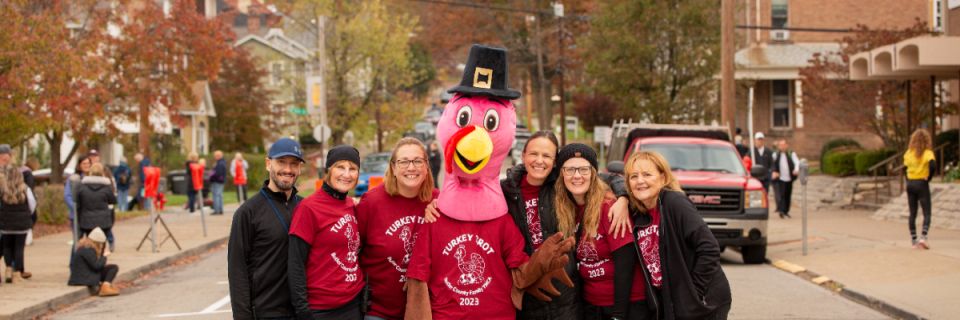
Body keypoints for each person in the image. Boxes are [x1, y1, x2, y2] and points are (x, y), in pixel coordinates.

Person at [625, 151, 731, 320]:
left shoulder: (675, 203)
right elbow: (606, 181)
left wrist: (692, 293)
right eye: (633, 176)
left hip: (702, 300)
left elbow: (709, 248)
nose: (640, 181)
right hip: (672, 302)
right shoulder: (638, 214)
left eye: (647, 174)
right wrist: (621, 199)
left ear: (662, 177)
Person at [554, 144, 649, 320]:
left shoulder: (609, 207)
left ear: (593, 173)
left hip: (624, 306)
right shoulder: (568, 209)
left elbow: (625, 264)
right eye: (570, 169)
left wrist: (619, 315)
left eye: (583, 169)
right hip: (592, 305)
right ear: (561, 174)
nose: (577, 176)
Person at [355, 138, 437, 320]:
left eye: (417, 161)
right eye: (403, 161)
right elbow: (352, 251)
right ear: (393, 167)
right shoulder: (372, 202)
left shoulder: (439, 202)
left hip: (425, 310)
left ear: (426, 167)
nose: (411, 167)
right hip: (379, 310)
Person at [228, 138, 305, 319]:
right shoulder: (248, 212)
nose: (288, 169)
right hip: (266, 313)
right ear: (268, 164)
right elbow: (237, 270)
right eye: (281, 162)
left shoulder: (306, 208)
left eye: (294, 164)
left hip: (303, 312)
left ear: (300, 168)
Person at [288, 145, 364, 319]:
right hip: (322, 310)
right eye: (340, 167)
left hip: (354, 304)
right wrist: (303, 311)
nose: (346, 174)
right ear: (328, 171)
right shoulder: (309, 208)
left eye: (352, 169)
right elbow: (295, 264)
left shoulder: (352, 206)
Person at [0, 164, 36, 284]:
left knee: (7, 247)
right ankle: (17, 273)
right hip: (21, 223)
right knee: (19, 248)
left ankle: (8, 269)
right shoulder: (25, 189)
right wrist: (27, 214)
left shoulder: (3, 190)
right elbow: (32, 204)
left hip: (6, 222)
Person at [903, 129, 936, 250]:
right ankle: (923, 237)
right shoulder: (927, 153)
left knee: (913, 213)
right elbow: (932, 165)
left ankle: (913, 240)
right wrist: (929, 177)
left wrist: (908, 180)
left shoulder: (908, 153)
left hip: (910, 183)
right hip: (922, 183)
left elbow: (904, 168)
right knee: (927, 212)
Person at [76, 164, 118, 251]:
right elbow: (113, 201)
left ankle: (91, 258)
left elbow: (78, 202)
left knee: (90, 242)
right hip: (103, 220)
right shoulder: (106, 187)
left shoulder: (82, 187)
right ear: (102, 173)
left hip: (86, 220)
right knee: (102, 242)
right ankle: (102, 255)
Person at [68, 227, 119, 297]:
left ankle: (105, 285)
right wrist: (104, 256)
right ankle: (105, 288)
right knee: (112, 268)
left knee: (113, 267)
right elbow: (97, 266)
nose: (101, 246)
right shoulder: (87, 249)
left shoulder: (86, 248)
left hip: (85, 274)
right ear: (97, 243)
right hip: (83, 278)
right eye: (101, 244)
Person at [771, 139, 800, 219]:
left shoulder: (791, 153)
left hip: (789, 178)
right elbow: (772, 164)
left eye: (784, 145)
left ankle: (786, 211)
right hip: (780, 178)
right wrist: (774, 172)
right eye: (780, 145)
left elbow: (797, 162)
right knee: (781, 195)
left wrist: (796, 170)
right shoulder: (775, 154)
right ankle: (781, 211)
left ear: (787, 145)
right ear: (779, 146)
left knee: (788, 195)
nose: (782, 147)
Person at [66, 155, 93, 241]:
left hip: (91, 215)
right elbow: (67, 196)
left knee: (92, 241)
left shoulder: (94, 178)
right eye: (84, 163)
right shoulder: (73, 179)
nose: (87, 165)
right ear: (79, 165)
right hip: (77, 216)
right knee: (77, 242)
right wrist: (76, 208)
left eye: (88, 163)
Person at [210, 150, 227, 215]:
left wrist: (211, 176)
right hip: (220, 181)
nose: (215, 157)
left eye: (215, 156)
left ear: (218, 156)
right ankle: (220, 209)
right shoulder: (222, 162)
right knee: (219, 195)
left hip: (217, 181)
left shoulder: (220, 163)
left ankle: (217, 210)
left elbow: (218, 173)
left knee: (216, 195)